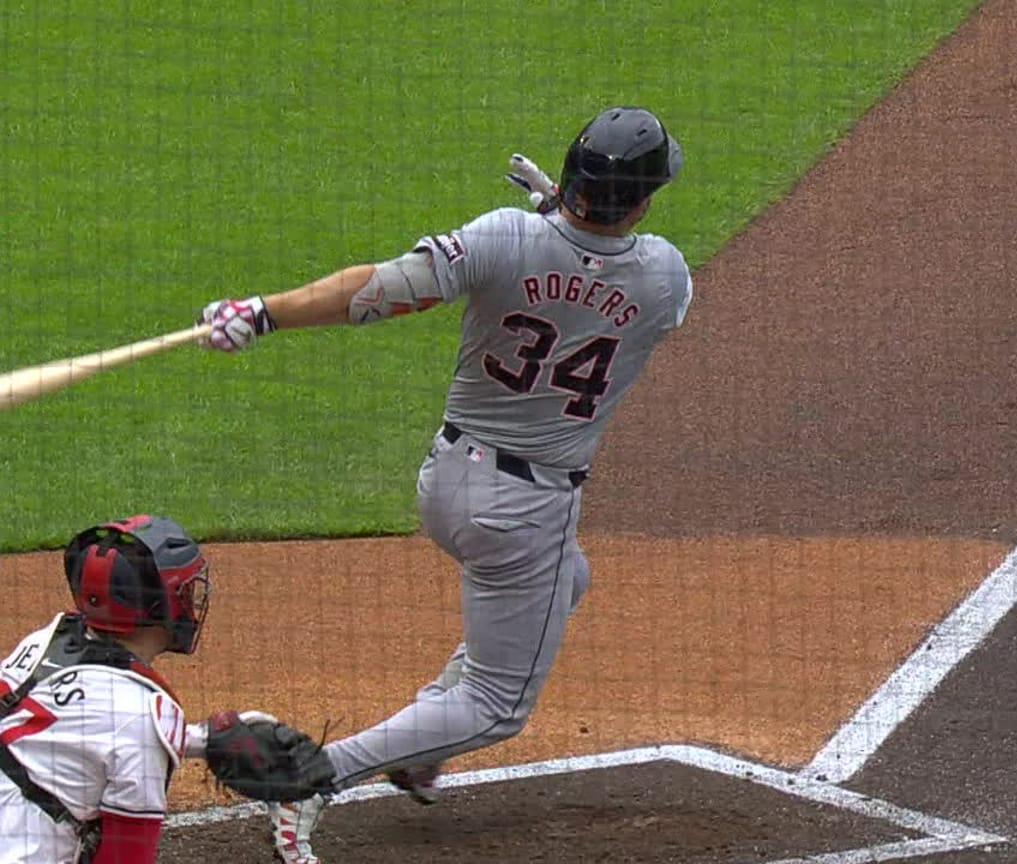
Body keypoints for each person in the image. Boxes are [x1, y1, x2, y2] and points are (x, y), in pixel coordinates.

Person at [197, 105, 692, 864]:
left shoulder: (498, 239)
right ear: (646, 198)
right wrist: (560, 220)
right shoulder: (663, 278)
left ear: (569, 174)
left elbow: (380, 290)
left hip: (448, 482)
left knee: (571, 578)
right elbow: (590, 272)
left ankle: (422, 746)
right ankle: (316, 780)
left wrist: (262, 315)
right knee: (498, 707)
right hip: (527, 511)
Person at [0, 515, 217, 863]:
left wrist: (203, 742)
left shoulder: (49, 641)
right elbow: (126, 856)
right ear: (163, 604)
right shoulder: (142, 716)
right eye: (186, 590)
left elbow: (82, 731)